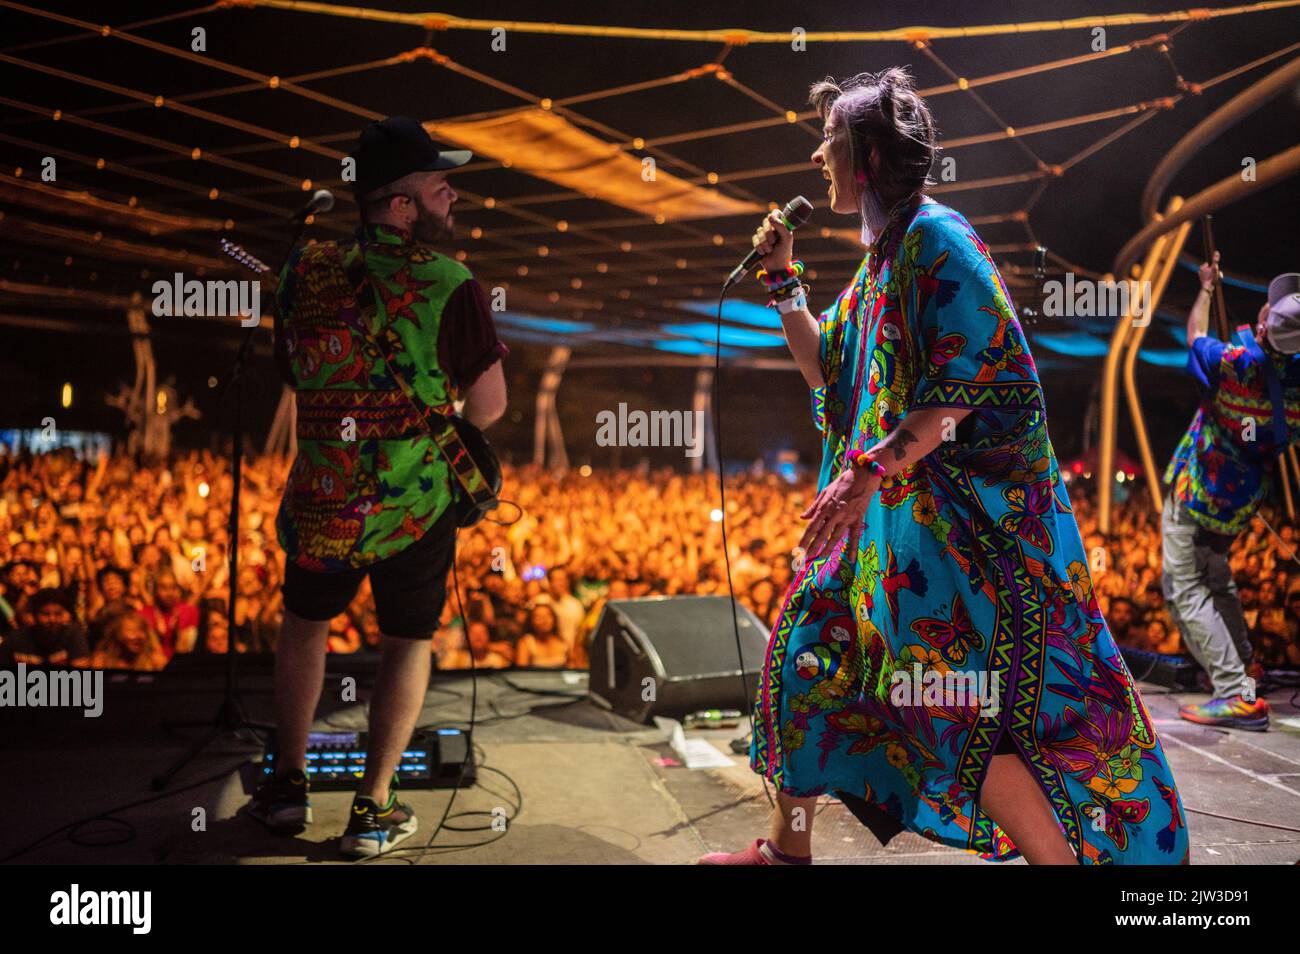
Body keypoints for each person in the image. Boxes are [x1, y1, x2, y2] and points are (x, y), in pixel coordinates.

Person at [702, 68, 1187, 865]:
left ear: (861, 157)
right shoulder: (882, 260)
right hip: (894, 538)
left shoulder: (937, 239)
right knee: (805, 659)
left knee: (961, 710)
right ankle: (787, 855)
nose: (816, 154)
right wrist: (785, 280)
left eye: (827, 140)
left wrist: (864, 474)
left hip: (971, 543)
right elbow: (833, 369)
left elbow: (961, 387)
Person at [244, 116, 508, 859]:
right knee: (405, 644)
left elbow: (296, 375)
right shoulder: (451, 283)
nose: (451, 195)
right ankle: (371, 810)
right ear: (400, 204)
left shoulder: (303, 271)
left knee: (304, 627)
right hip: (412, 508)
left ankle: (285, 790)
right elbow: (487, 410)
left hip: (323, 499)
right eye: (438, 185)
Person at [1162, 255, 1300, 730]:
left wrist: (1205, 289)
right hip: (1242, 503)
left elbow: (1195, 337)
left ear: (1264, 327)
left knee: (1184, 587)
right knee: (1216, 578)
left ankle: (1233, 692)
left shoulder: (1234, 364)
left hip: (1198, 494)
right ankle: (1244, 668)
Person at [0, 588, 90, 667]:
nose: (52, 619)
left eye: (58, 614)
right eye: (46, 614)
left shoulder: (73, 635)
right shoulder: (15, 639)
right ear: (34, 616)